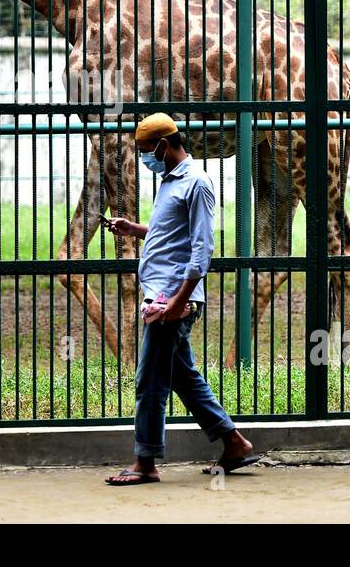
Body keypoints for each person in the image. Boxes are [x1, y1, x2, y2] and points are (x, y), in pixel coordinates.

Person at [102, 112, 258, 486]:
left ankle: (145, 462)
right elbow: (169, 235)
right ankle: (234, 442)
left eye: (145, 151)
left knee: (150, 379)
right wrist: (134, 229)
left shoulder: (197, 183)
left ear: (163, 145)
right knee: (181, 377)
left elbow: (202, 249)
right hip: (162, 295)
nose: (143, 159)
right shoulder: (169, 182)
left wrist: (178, 301)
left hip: (173, 300)